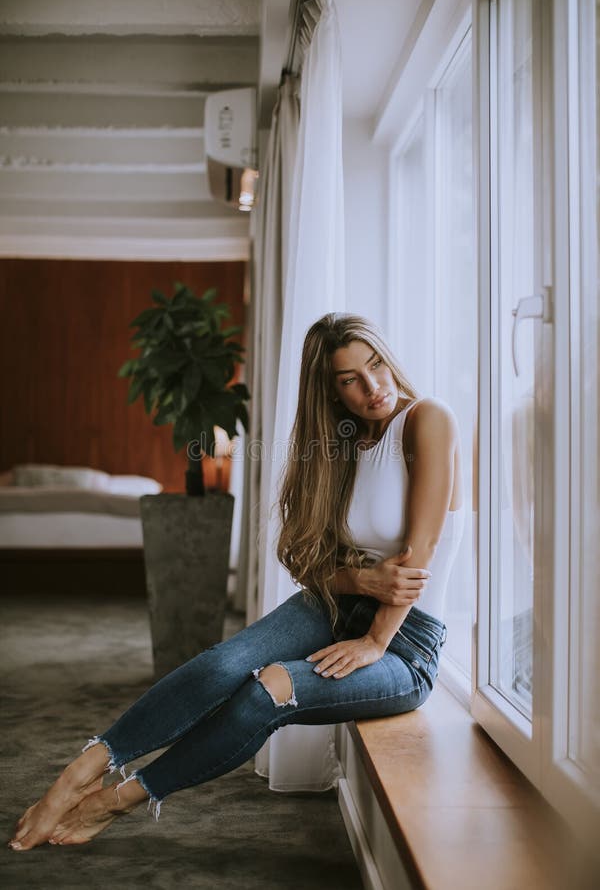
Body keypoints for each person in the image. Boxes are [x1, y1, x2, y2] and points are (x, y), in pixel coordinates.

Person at [9, 312, 464, 851]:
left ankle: (115, 801)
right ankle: (79, 772)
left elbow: (418, 558)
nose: (372, 387)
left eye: (377, 365)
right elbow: (310, 564)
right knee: (221, 664)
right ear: (330, 391)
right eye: (349, 379)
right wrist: (362, 579)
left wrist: (373, 641)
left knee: (265, 691)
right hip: (337, 603)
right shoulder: (341, 446)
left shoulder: (428, 420)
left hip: (404, 645)